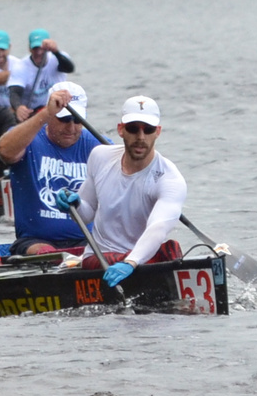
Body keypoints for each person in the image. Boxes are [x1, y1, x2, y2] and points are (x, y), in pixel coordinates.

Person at [66, 95, 187, 283]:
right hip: (100, 257)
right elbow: (84, 215)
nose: (141, 137)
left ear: (158, 132)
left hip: (138, 259)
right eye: (133, 129)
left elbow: (159, 228)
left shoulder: (169, 178)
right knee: (168, 253)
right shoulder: (100, 157)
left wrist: (131, 262)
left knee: (171, 248)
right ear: (120, 129)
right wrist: (73, 205)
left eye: (148, 130)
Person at [0, 84, 95, 255]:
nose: (71, 128)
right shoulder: (29, 138)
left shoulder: (95, 144)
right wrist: (45, 113)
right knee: (46, 254)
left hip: (87, 239)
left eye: (77, 120)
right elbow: (5, 152)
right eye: (64, 120)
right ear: (50, 115)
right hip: (36, 242)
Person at [5, 28, 76, 114]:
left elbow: (69, 69)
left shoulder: (58, 58)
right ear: (29, 49)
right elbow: (15, 92)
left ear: (48, 49)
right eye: (35, 49)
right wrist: (18, 107)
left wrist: (56, 52)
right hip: (34, 112)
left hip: (59, 108)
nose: (38, 52)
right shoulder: (21, 66)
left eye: (41, 48)